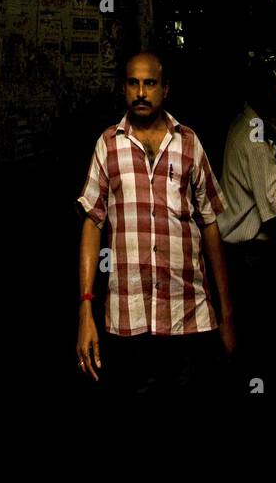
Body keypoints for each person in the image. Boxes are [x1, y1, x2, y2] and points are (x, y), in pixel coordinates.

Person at [76, 51, 235, 397]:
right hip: (126, 319)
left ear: (165, 88)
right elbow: (92, 221)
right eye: (133, 83)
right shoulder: (108, 145)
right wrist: (85, 308)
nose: (141, 93)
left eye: (150, 84)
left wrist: (227, 314)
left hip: (188, 315)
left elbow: (210, 225)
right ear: (123, 88)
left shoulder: (190, 144)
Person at [217, 71, 276, 393]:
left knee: (254, 335)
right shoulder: (255, 139)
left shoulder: (245, 123)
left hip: (237, 250)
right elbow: (273, 208)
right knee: (263, 337)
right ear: (265, 94)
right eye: (275, 87)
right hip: (251, 254)